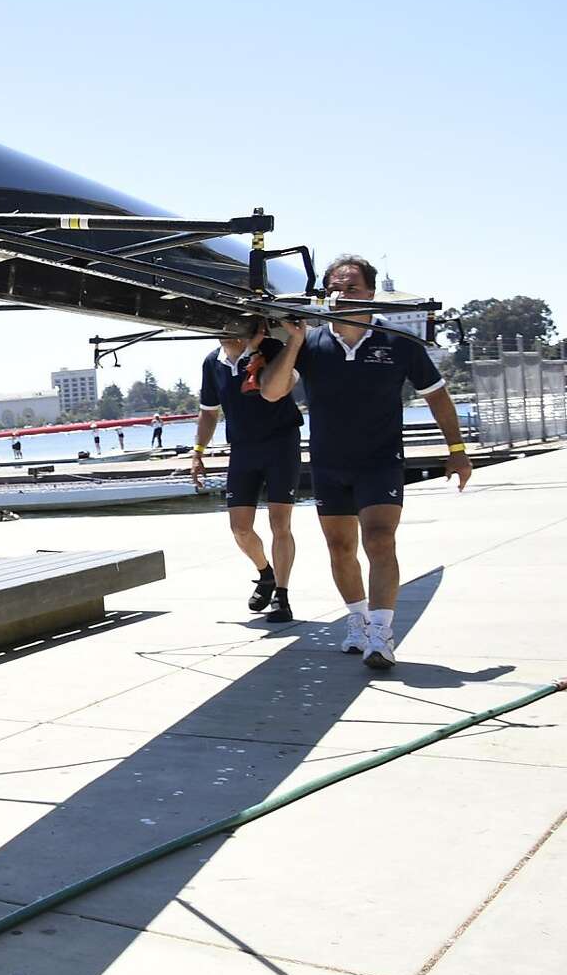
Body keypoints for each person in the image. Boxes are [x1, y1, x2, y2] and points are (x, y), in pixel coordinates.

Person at [258, 255, 471, 667]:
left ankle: (381, 633)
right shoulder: (311, 345)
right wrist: (296, 342)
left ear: (371, 293)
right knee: (340, 547)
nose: (342, 294)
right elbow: (271, 392)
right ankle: (356, 621)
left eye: (351, 287)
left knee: (378, 539)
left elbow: (438, 396)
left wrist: (457, 452)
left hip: (381, 460)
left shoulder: (398, 343)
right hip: (328, 464)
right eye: (334, 288)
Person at [192, 327, 302, 623]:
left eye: (235, 328)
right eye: (222, 329)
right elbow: (209, 411)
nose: (228, 334)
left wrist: (255, 350)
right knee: (240, 528)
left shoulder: (273, 348)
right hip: (243, 448)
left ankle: (282, 594)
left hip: (281, 443)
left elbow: (283, 386)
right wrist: (198, 452)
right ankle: (265, 573)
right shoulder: (211, 363)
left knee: (280, 523)